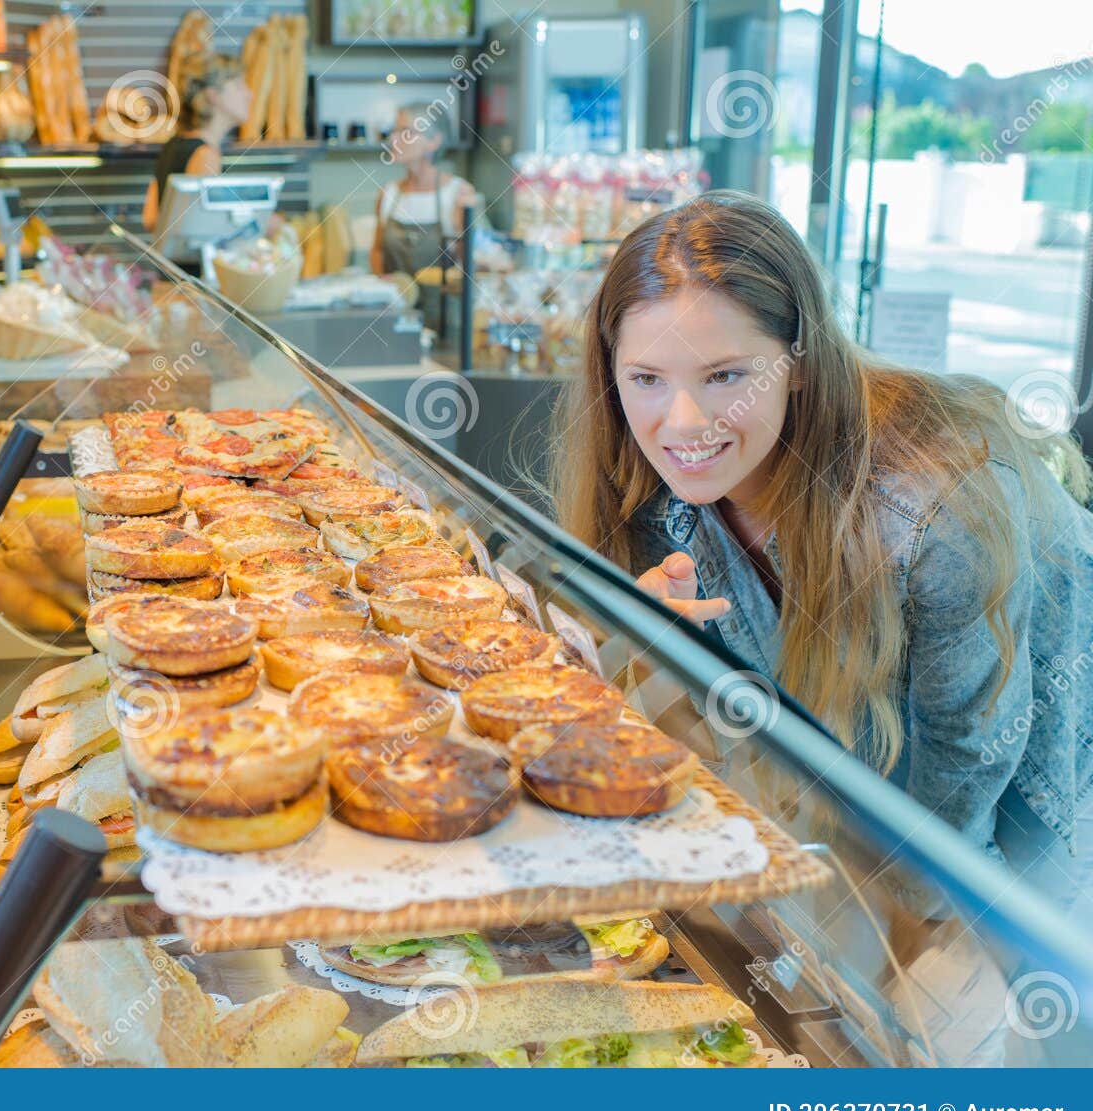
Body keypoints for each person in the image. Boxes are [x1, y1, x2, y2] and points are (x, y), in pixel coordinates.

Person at [551, 189, 1093, 918]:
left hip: (1046, 793)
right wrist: (646, 657)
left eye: (725, 376)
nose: (683, 423)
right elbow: (727, 743)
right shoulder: (649, 476)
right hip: (870, 785)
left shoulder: (935, 503)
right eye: (647, 379)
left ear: (798, 363)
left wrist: (914, 927)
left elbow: (970, 760)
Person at [142, 58, 251, 235]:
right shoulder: (205, 154)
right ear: (212, 95)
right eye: (239, 86)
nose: (249, 94)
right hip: (192, 263)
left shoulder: (173, 144)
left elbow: (150, 219)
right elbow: (202, 229)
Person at [369, 105, 476, 283]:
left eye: (406, 132)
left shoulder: (458, 193)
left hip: (443, 309)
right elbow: (377, 251)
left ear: (434, 141)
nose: (394, 139)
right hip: (397, 307)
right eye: (395, 131)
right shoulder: (388, 193)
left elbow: (470, 262)